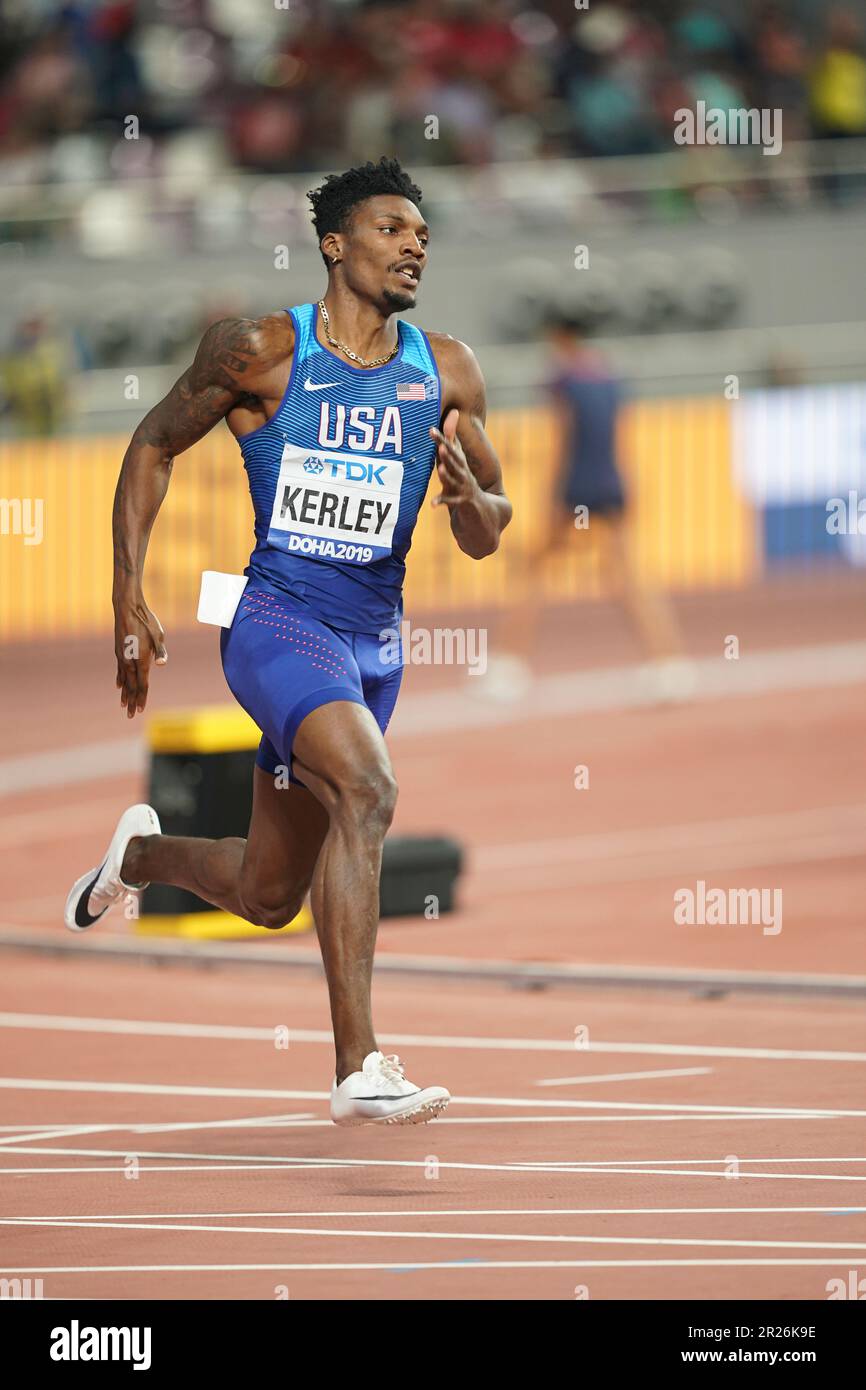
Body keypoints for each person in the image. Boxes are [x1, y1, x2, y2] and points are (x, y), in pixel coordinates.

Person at [64, 158, 512, 1126]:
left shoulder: (447, 369)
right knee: (370, 785)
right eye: (392, 229)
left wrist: (474, 505)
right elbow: (151, 442)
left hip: (372, 646)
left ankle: (138, 861)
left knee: (270, 893)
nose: (413, 245)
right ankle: (359, 1063)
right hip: (274, 621)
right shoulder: (262, 349)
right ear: (334, 243)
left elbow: (488, 525)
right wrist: (124, 591)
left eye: (422, 234)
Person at [483, 310, 690, 701]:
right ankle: (670, 664)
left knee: (534, 570)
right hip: (611, 483)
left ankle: (509, 667)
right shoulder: (611, 375)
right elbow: (620, 436)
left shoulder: (563, 378)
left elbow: (564, 437)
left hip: (576, 485)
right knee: (628, 577)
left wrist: (552, 494)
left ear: (561, 336)